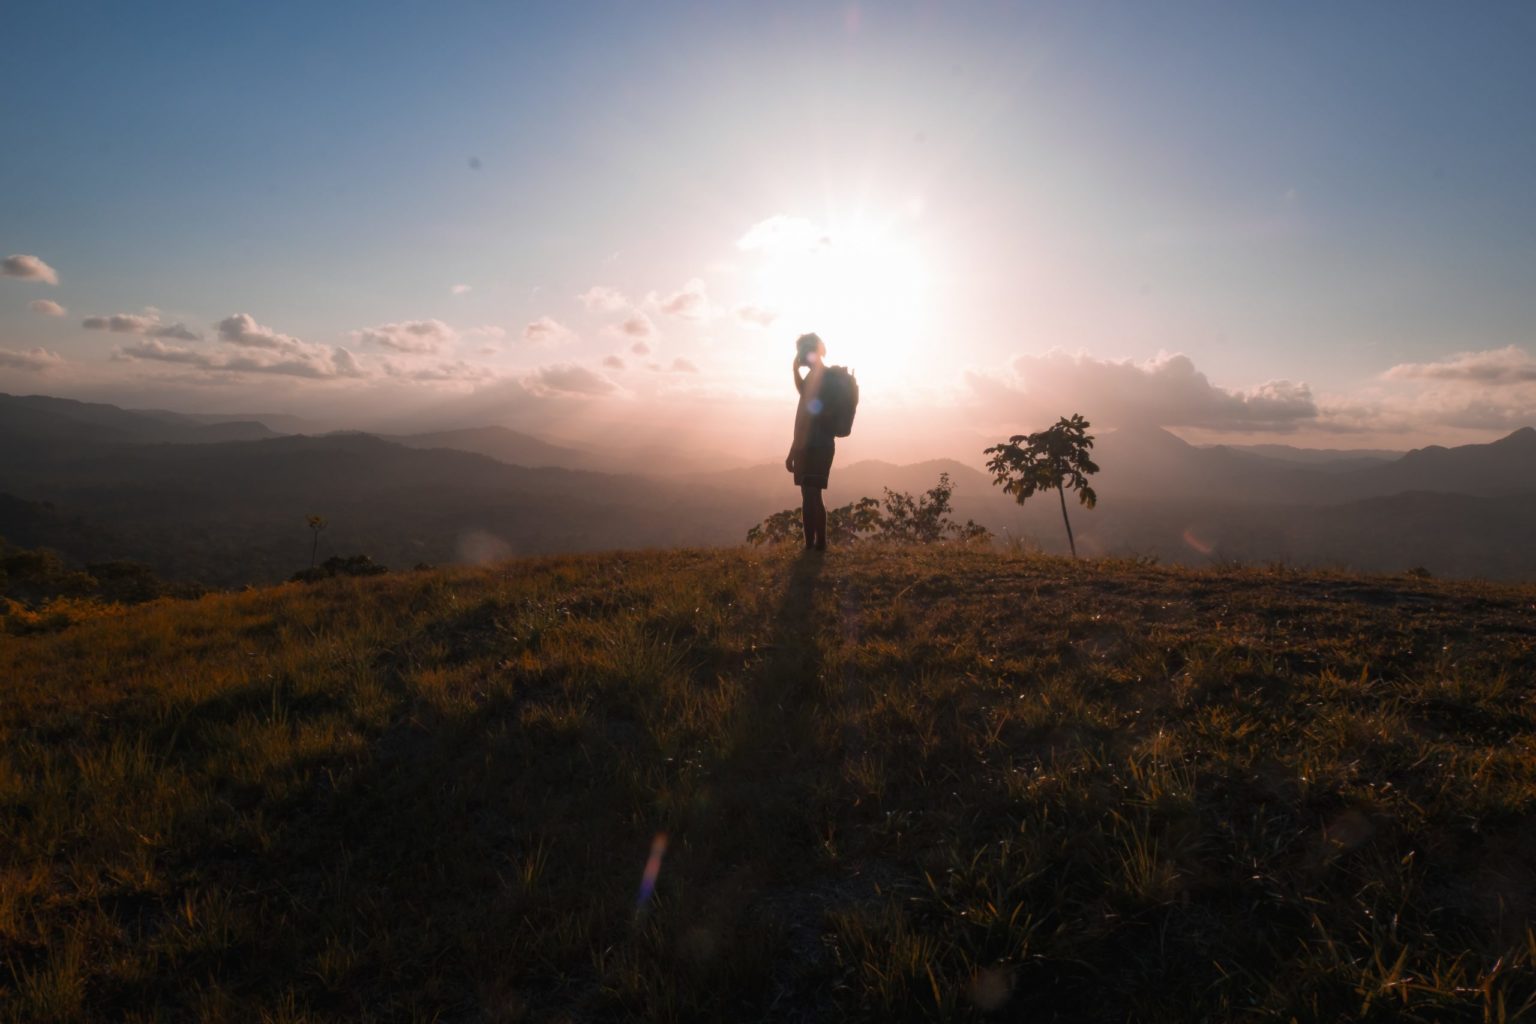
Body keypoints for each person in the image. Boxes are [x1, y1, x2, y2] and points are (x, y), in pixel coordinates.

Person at [786, 332, 835, 550]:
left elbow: (806, 415)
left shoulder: (819, 377)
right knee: (811, 494)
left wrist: (794, 371)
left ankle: (813, 546)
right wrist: (793, 450)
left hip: (813, 445)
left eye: (802, 352)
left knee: (810, 495)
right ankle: (817, 544)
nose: (800, 356)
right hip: (817, 445)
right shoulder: (820, 376)